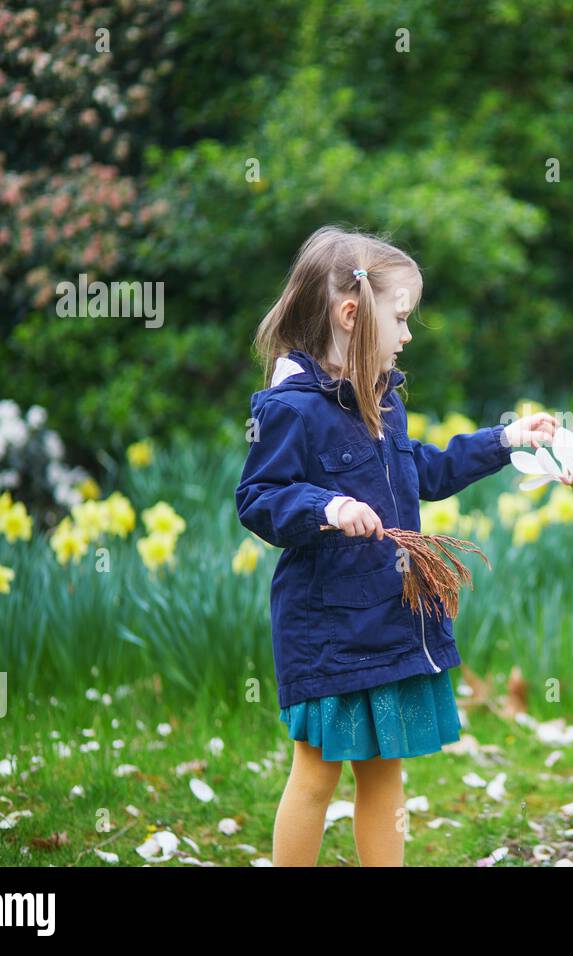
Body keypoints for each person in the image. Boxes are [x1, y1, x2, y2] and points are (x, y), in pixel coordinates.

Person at [235, 225, 555, 866]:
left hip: (389, 616)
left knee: (384, 775)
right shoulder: (290, 409)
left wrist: (502, 441)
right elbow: (260, 499)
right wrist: (328, 506)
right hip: (326, 627)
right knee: (318, 775)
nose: (408, 335)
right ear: (351, 315)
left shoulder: (382, 400)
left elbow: (422, 472)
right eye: (401, 318)